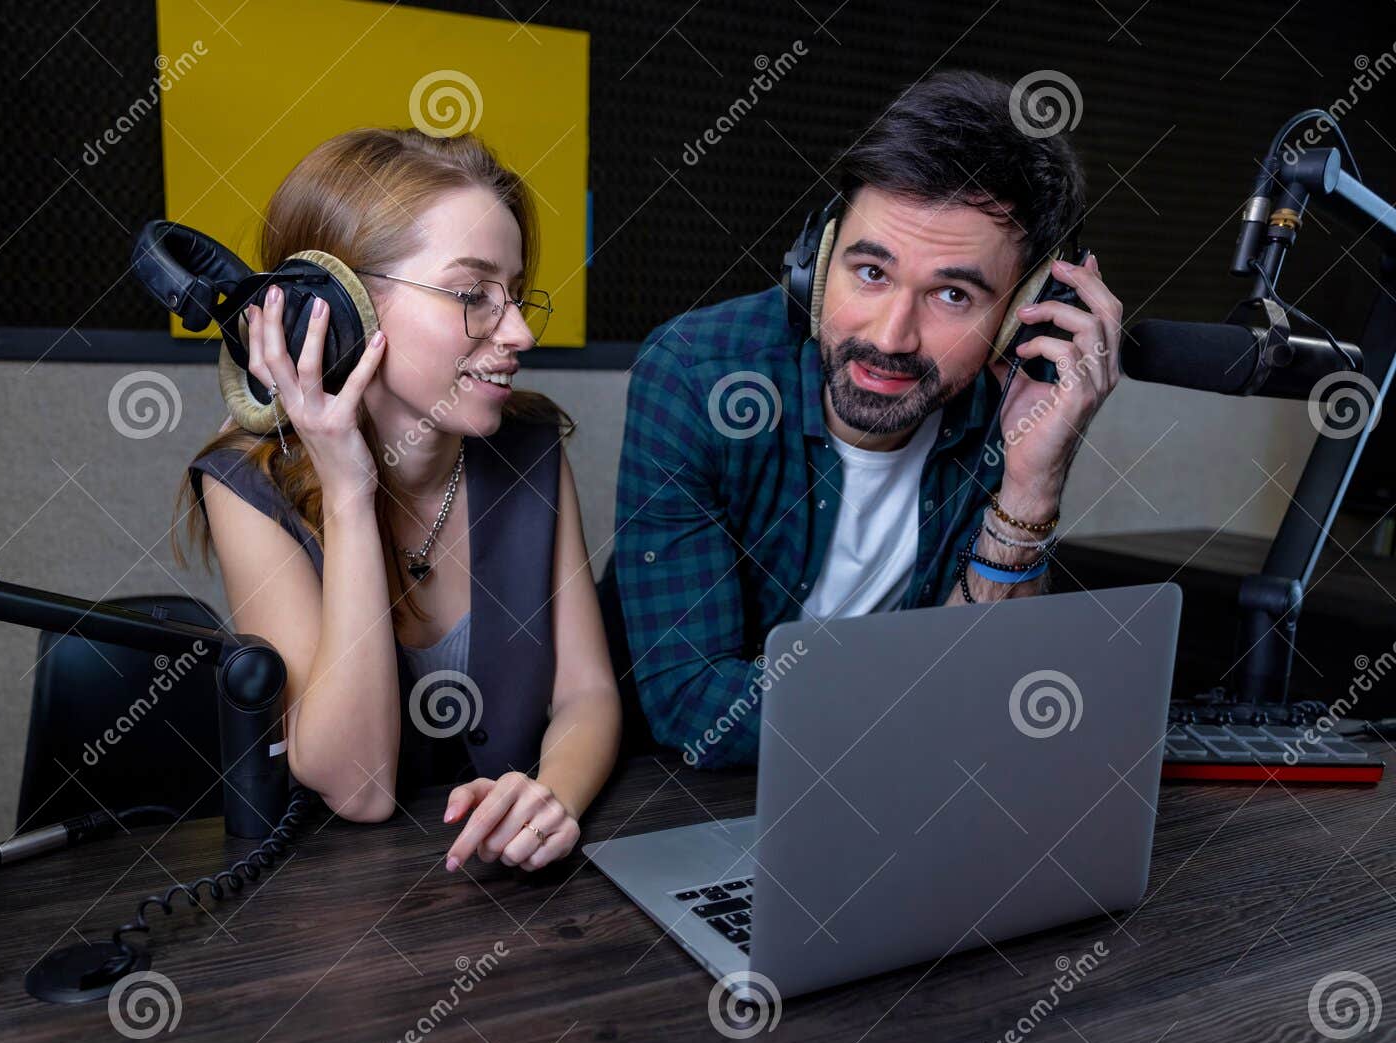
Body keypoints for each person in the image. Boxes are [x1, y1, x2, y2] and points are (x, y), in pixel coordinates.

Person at [604, 70, 1124, 769]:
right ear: (817, 264)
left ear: (1018, 319)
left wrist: (1030, 489)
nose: (890, 336)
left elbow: (997, 677)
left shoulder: (1013, 408)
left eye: (952, 294)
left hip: (902, 782)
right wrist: (936, 699)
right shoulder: (697, 375)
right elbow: (695, 707)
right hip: (680, 794)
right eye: (872, 273)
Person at [173, 128, 621, 871]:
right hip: (343, 913)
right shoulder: (246, 486)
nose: (518, 332)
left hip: (514, 900)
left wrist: (553, 798)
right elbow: (360, 787)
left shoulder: (532, 448)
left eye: (515, 295)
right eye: (473, 295)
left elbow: (588, 693)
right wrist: (349, 492)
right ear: (337, 311)